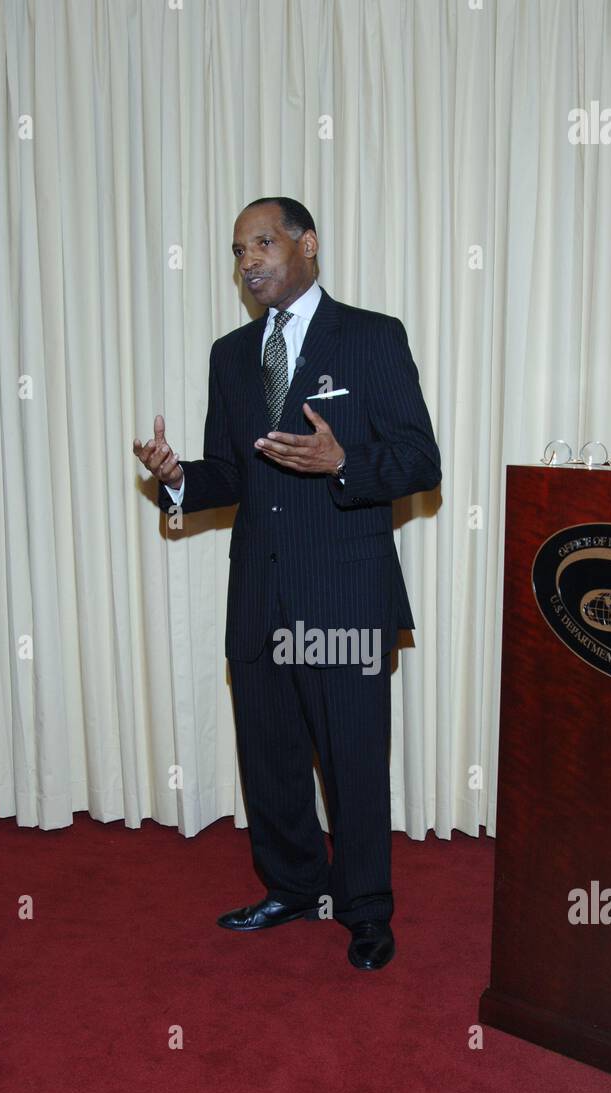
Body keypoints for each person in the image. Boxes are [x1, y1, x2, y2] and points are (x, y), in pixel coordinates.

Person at [134, 197, 440, 970]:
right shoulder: (230, 354)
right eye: (237, 251)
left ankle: (366, 910)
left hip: (344, 593)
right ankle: (292, 886)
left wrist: (343, 462)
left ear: (307, 244)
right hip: (258, 593)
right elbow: (232, 472)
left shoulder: (371, 338)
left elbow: (419, 462)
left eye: (262, 243)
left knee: (353, 762)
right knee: (268, 755)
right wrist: (177, 481)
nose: (248, 262)